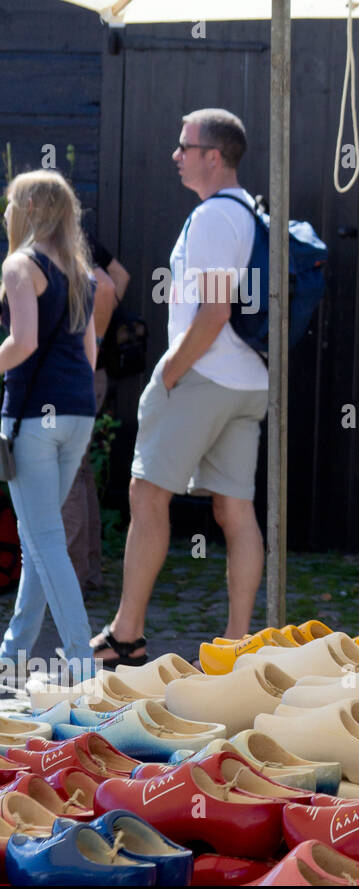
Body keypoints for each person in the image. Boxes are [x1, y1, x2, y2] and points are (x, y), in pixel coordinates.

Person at [90, 108, 268, 667]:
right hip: (249, 382)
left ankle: (127, 635)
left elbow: (214, 312)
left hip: (203, 377)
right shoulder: (250, 212)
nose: (176, 155)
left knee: (147, 495)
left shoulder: (215, 216)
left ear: (212, 157)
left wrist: (168, 372)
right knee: (235, 511)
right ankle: (237, 645)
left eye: (184, 146)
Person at [0, 170, 99, 681]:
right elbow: (89, 351)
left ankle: (83, 668)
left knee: (43, 538)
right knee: (38, 535)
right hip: (77, 413)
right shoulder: (81, 270)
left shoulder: (20, 265)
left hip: (34, 416)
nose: (6, 213)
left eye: (11, 202)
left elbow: (23, 343)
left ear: (30, 208)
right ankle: (13, 655)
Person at [61, 232, 128, 590]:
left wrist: (93, 342)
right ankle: (87, 572)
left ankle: (72, 579)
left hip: (80, 373)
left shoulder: (70, 237)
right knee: (79, 470)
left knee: (69, 473)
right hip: (90, 372)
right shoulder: (81, 235)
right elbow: (120, 279)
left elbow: (104, 287)